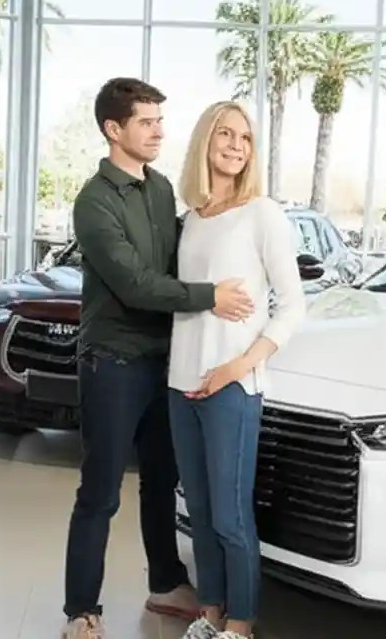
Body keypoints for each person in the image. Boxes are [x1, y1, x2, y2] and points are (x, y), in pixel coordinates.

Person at [62, 79, 256, 639]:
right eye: (145, 122)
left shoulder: (161, 188)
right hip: (113, 362)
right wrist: (211, 295)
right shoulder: (94, 201)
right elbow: (136, 284)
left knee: (161, 480)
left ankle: (166, 582)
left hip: (163, 362)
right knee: (100, 491)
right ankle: (81, 611)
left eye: (159, 121)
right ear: (113, 129)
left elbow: (185, 251)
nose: (158, 131)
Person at [168, 100, 306, 639]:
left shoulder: (263, 214)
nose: (234, 145)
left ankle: (241, 624)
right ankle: (210, 614)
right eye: (224, 134)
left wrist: (240, 365)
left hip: (233, 386)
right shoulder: (191, 220)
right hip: (182, 384)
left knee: (230, 515)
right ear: (205, 140)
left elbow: (293, 304)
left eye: (245, 138)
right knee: (199, 511)